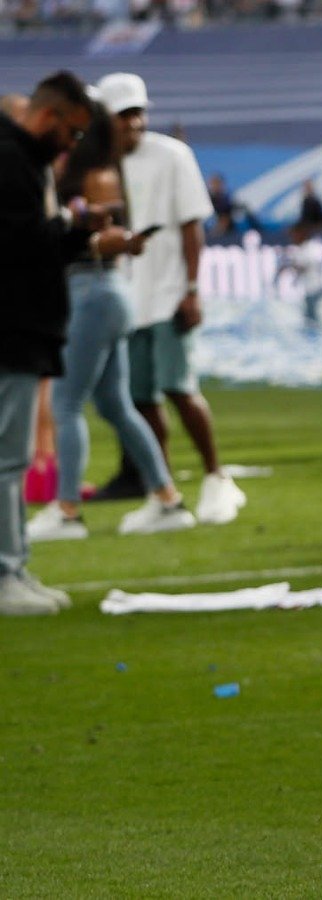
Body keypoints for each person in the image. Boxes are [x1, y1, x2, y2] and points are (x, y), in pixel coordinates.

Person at [25, 98, 197, 544]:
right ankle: (166, 498)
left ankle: (65, 511)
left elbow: (101, 237)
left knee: (64, 404)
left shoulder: (90, 174)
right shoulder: (102, 171)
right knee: (115, 406)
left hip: (91, 292)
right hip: (105, 292)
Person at [96, 72, 247, 525]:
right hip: (126, 297)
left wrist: (192, 289)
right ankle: (164, 493)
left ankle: (217, 477)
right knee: (140, 400)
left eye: (138, 113)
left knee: (179, 389)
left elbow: (191, 227)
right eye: (124, 115)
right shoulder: (101, 166)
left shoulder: (173, 154)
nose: (134, 123)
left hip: (168, 292)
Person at [0, 70, 97, 616]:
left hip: (19, 329)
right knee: (6, 459)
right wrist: (83, 235)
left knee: (9, 457)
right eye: (73, 132)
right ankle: (4, 572)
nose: (74, 145)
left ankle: (13, 565)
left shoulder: (21, 161)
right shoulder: (11, 162)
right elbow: (21, 247)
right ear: (49, 116)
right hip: (11, 329)